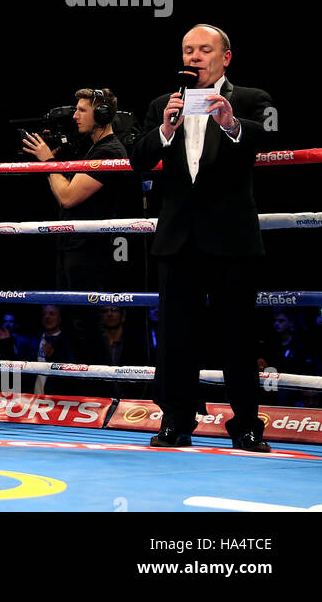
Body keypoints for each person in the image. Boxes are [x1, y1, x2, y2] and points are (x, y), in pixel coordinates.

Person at [129, 24, 273, 452]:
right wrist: (165, 129)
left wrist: (231, 123)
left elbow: (269, 137)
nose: (194, 57)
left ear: (225, 57)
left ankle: (246, 425)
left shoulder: (249, 99)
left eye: (204, 50)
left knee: (237, 334)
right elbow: (138, 159)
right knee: (176, 336)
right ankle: (175, 421)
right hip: (178, 239)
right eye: (188, 50)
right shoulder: (163, 104)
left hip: (231, 237)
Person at [22, 88, 129, 290]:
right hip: (73, 243)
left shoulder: (109, 152)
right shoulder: (92, 148)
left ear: (101, 115)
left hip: (89, 248)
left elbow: (67, 197)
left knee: (86, 317)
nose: (75, 116)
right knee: (71, 313)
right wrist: (51, 164)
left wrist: (48, 162)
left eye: (82, 110)